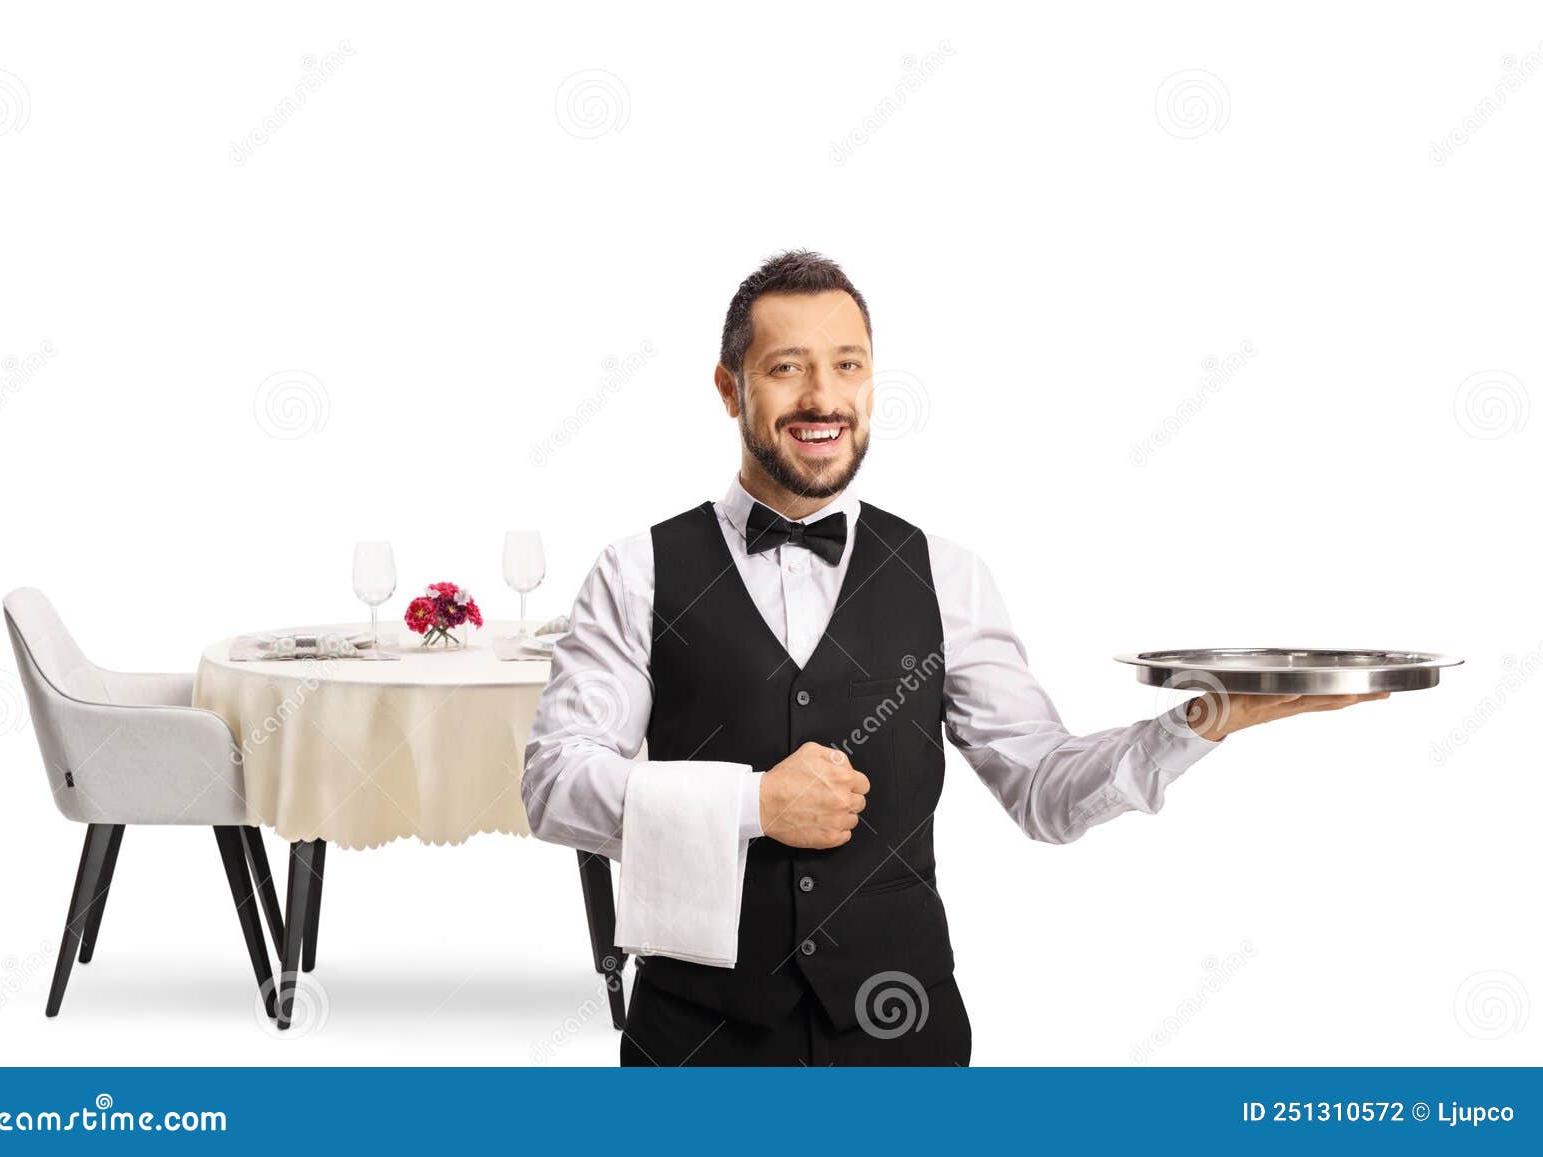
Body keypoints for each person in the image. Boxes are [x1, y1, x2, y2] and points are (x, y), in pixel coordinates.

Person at [521, 250, 1388, 1066]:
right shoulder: (635, 571)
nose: (824, 396)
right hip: (697, 1045)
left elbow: (1045, 790)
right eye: (788, 366)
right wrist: (752, 803)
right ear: (729, 387)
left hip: (903, 1039)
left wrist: (1205, 719)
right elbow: (555, 783)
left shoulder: (946, 574)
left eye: (850, 365)